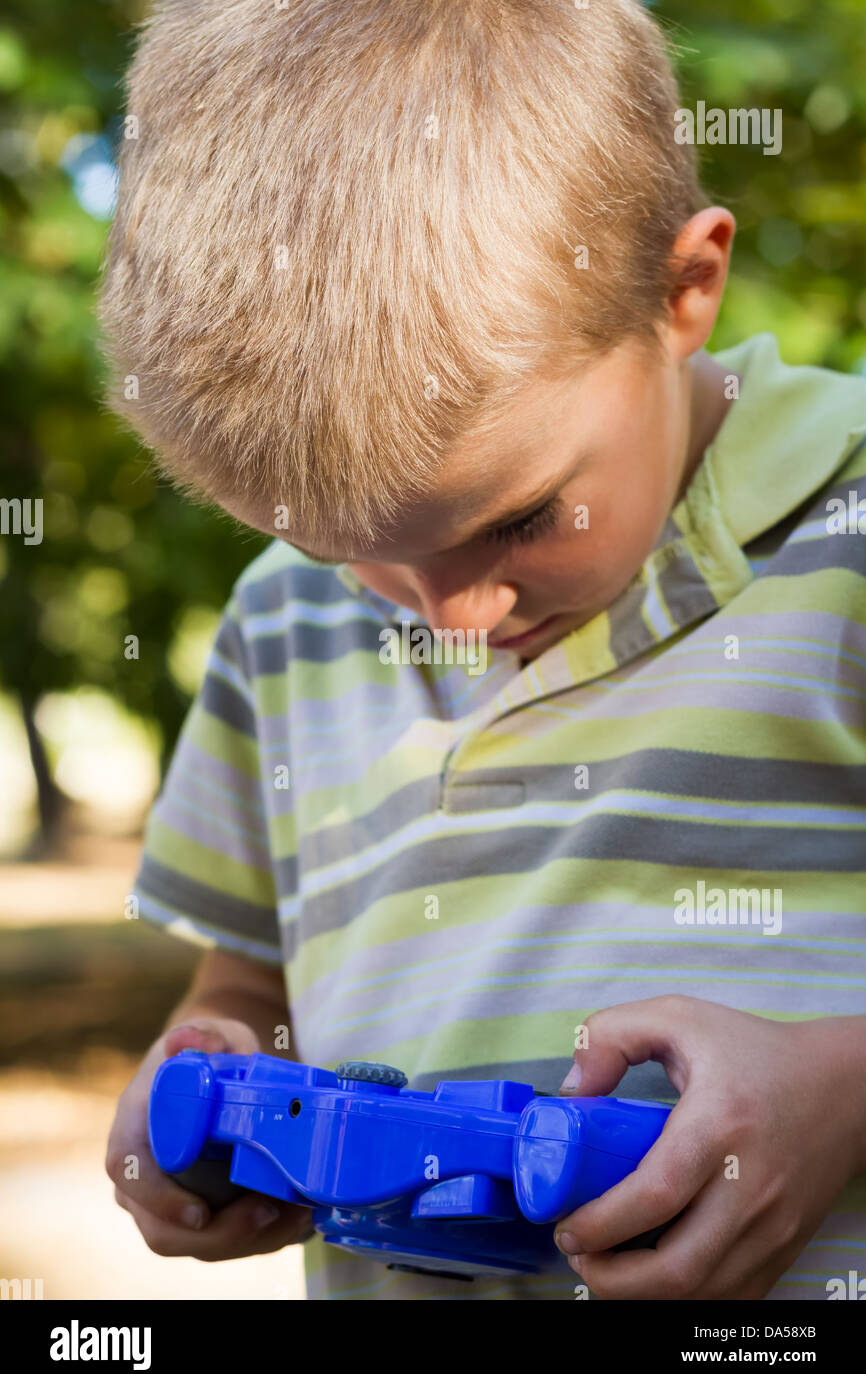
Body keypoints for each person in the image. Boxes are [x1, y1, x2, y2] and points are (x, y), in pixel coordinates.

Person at [101, 0, 866, 1300]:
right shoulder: (281, 622)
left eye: (514, 519)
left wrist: (840, 1088)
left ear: (681, 291)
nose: (445, 616)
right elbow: (246, 973)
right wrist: (216, 1070)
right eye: (354, 549)